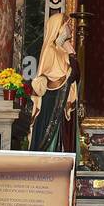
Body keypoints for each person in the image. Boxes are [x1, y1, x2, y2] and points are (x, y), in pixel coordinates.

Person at [29, 12, 79, 152]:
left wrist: (71, 55)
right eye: (68, 24)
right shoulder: (50, 51)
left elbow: (74, 75)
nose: (71, 28)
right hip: (52, 105)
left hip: (62, 103)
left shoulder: (62, 51)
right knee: (51, 142)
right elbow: (57, 77)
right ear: (59, 27)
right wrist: (71, 62)